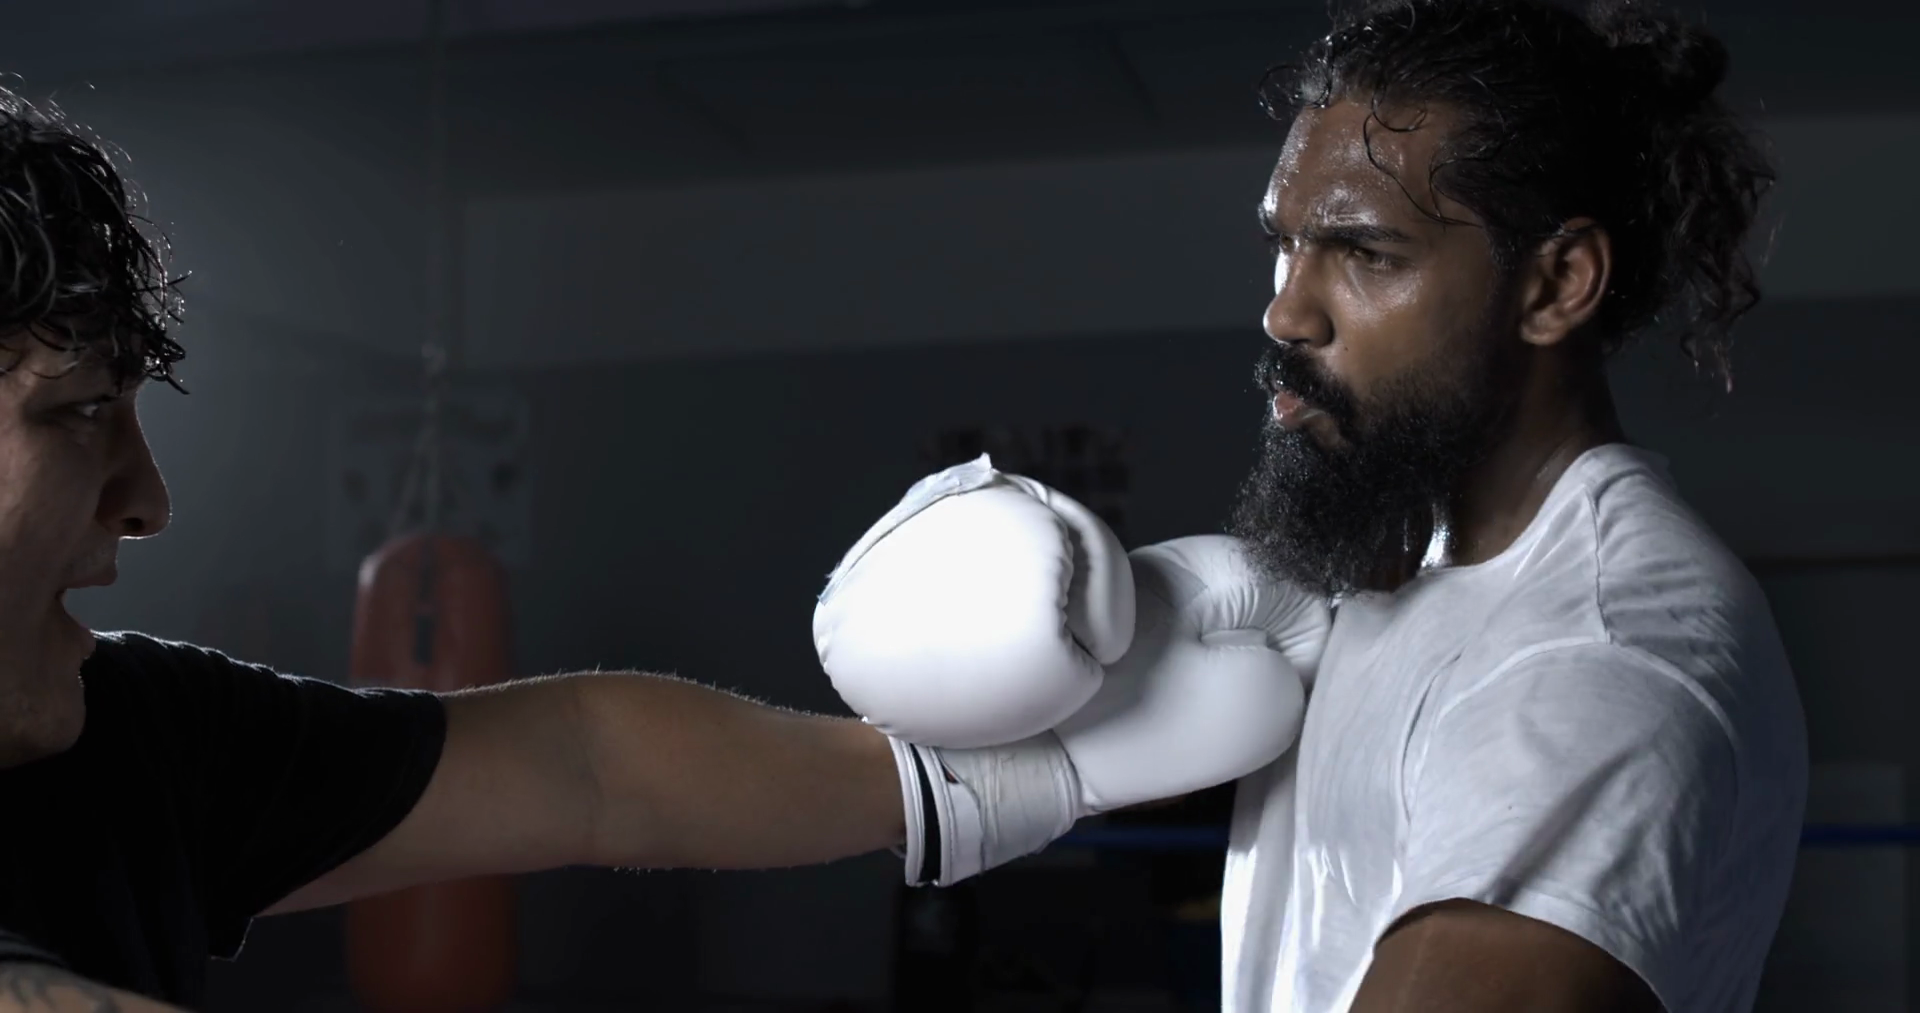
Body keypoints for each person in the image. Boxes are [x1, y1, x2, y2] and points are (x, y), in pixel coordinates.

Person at [0, 2, 1808, 1013]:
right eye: (78, 416)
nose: (1280, 308)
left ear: (1558, 283)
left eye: (1361, 251)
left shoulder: (1593, 655)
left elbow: (589, 768)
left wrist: (989, 777)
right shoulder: (1395, 589)